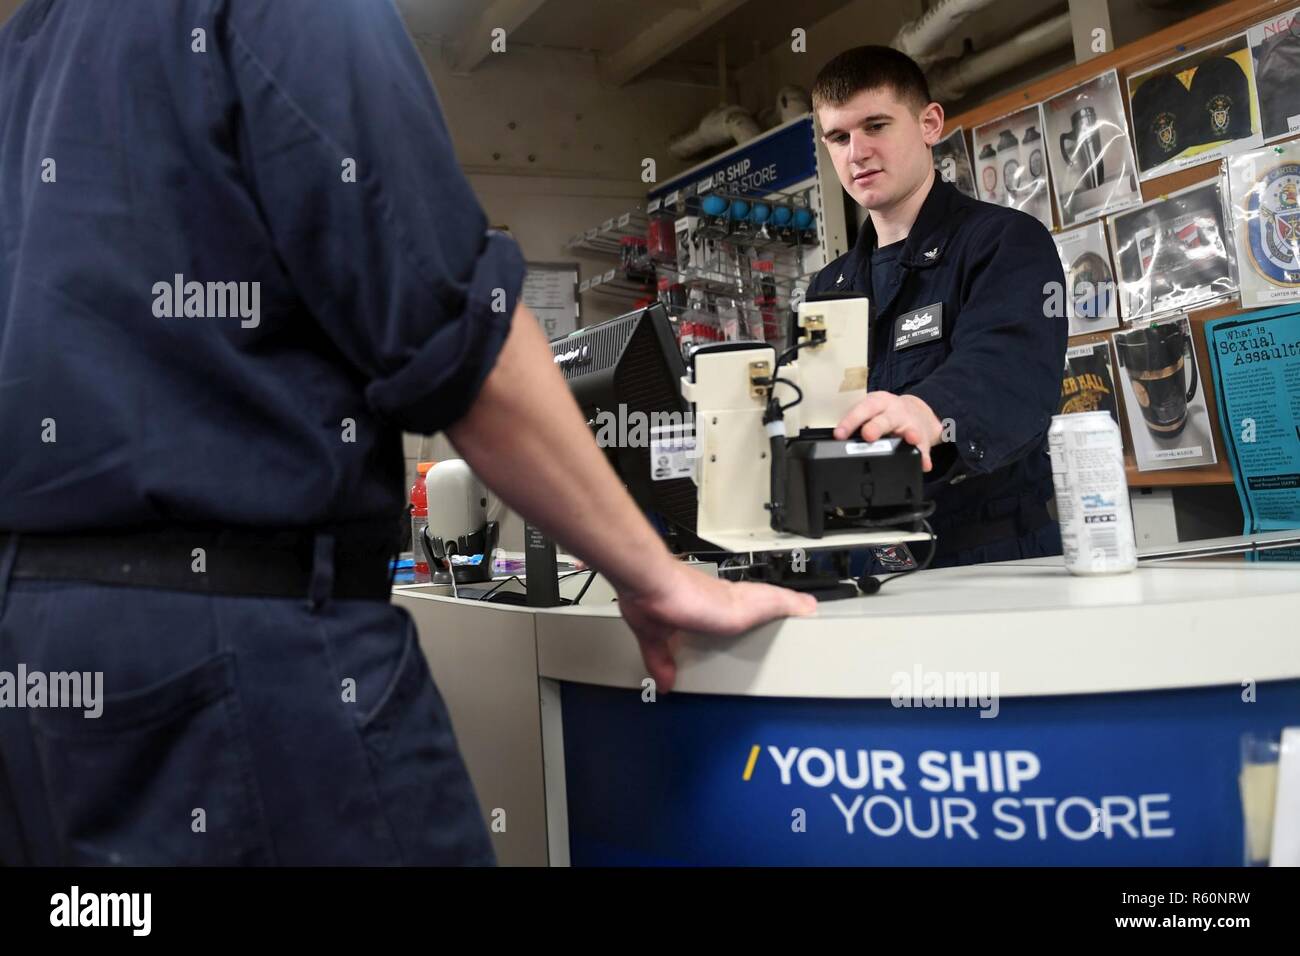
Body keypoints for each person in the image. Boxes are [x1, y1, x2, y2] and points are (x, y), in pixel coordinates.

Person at [0, 0, 813, 866]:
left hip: (41, 665)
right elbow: (459, 335)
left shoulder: (30, 45)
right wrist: (657, 576)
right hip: (238, 653)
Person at [806, 46, 1068, 568]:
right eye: (838, 136)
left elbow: (1008, 367)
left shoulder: (1003, 243)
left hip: (991, 557)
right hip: (867, 563)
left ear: (929, 124)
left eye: (875, 126)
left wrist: (926, 413)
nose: (855, 153)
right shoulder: (828, 288)